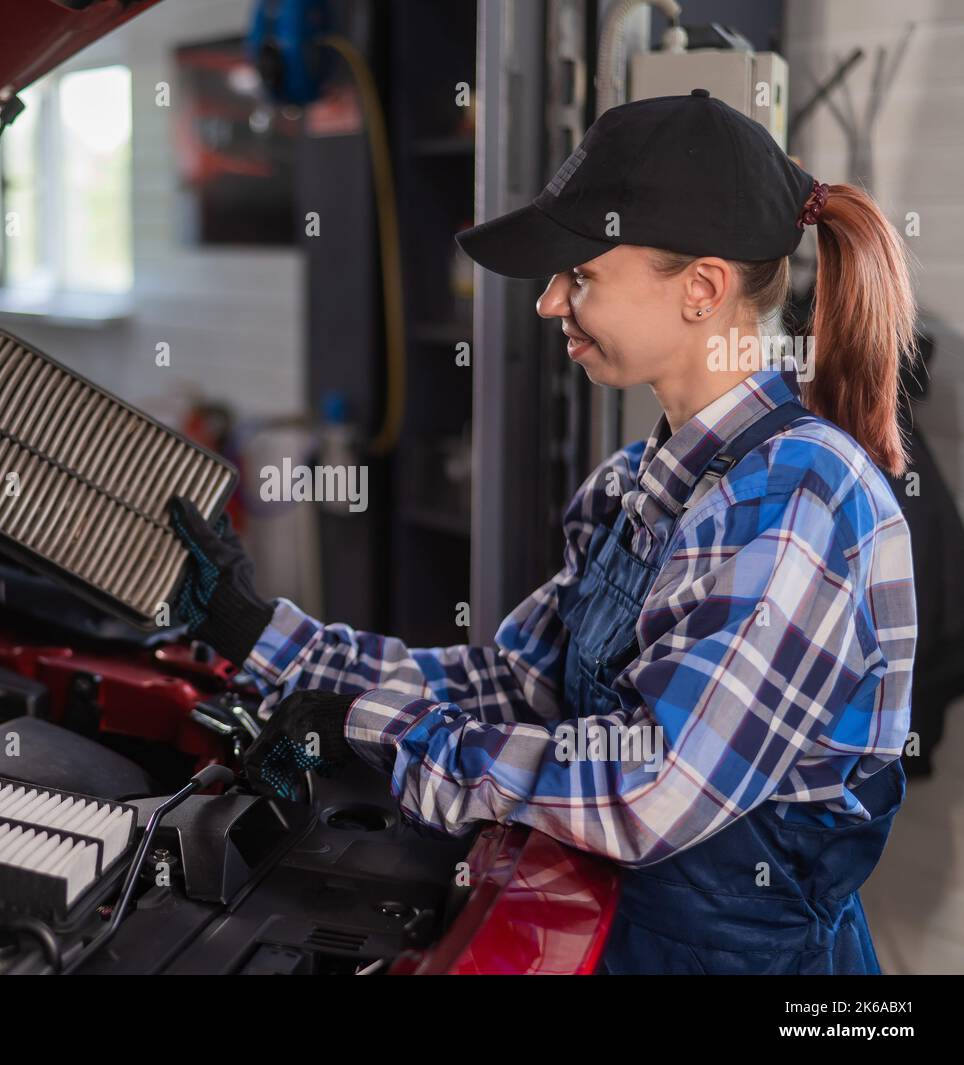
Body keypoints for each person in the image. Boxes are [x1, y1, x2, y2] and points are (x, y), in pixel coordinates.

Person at [169, 89, 917, 975]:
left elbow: (649, 785)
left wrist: (382, 733)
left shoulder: (804, 501)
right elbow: (519, 682)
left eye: (582, 273)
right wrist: (267, 636)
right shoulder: (636, 486)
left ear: (704, 290)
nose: (548, 301)